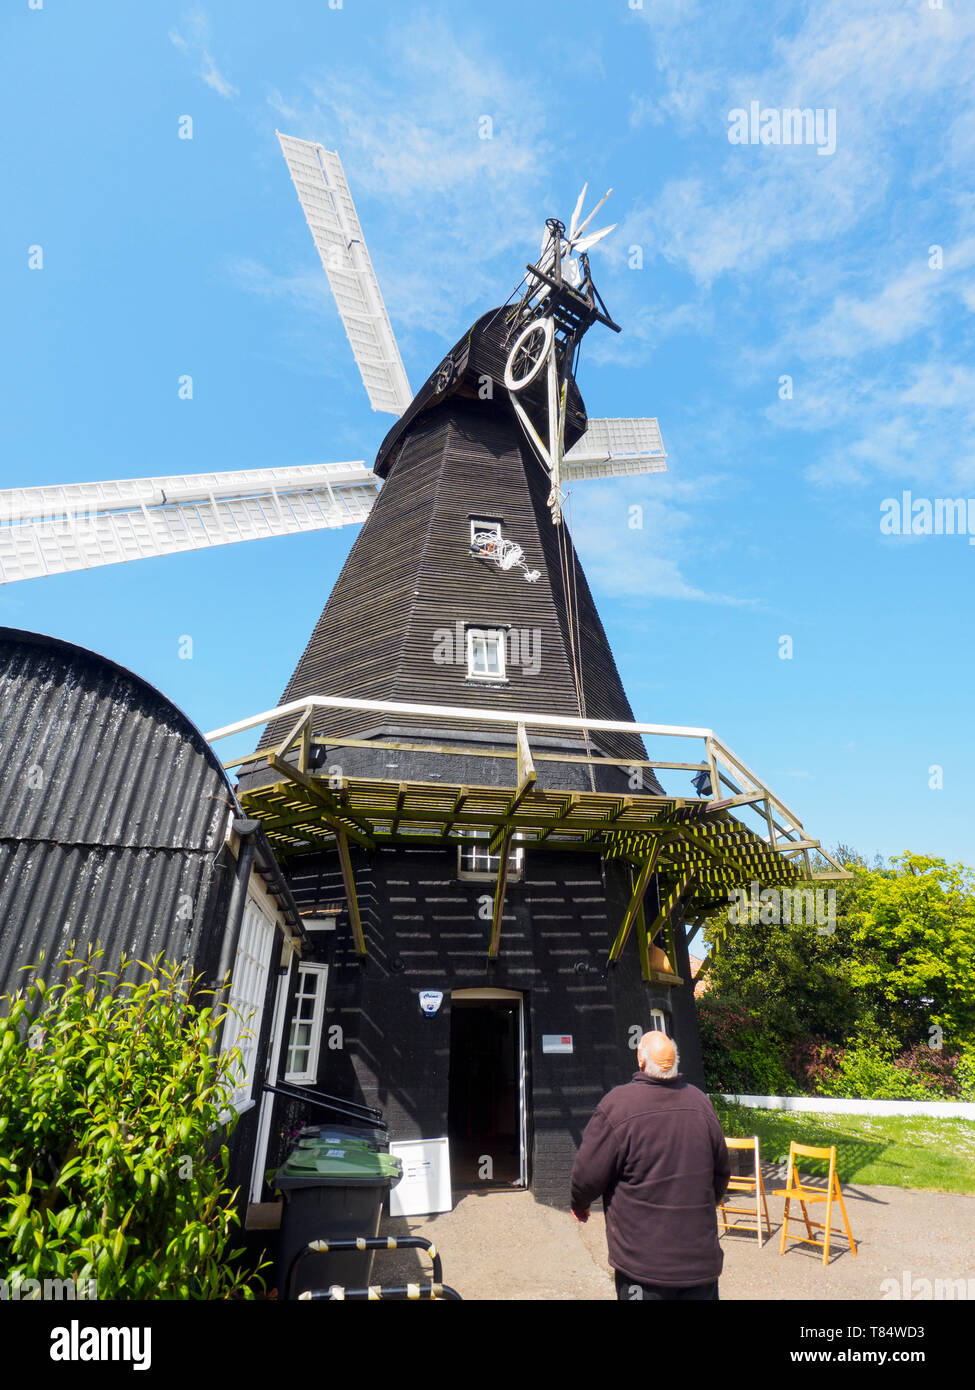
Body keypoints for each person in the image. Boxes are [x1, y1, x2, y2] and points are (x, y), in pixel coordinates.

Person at [570, 1029, 730, 1300]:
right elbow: (721, 1172)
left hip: (643, 1268)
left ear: (641, 1061)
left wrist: (580, 1203)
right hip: (699, 1265)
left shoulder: (617, 1106)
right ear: (675, 1062)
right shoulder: (701, 1103)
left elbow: (588, 1174)